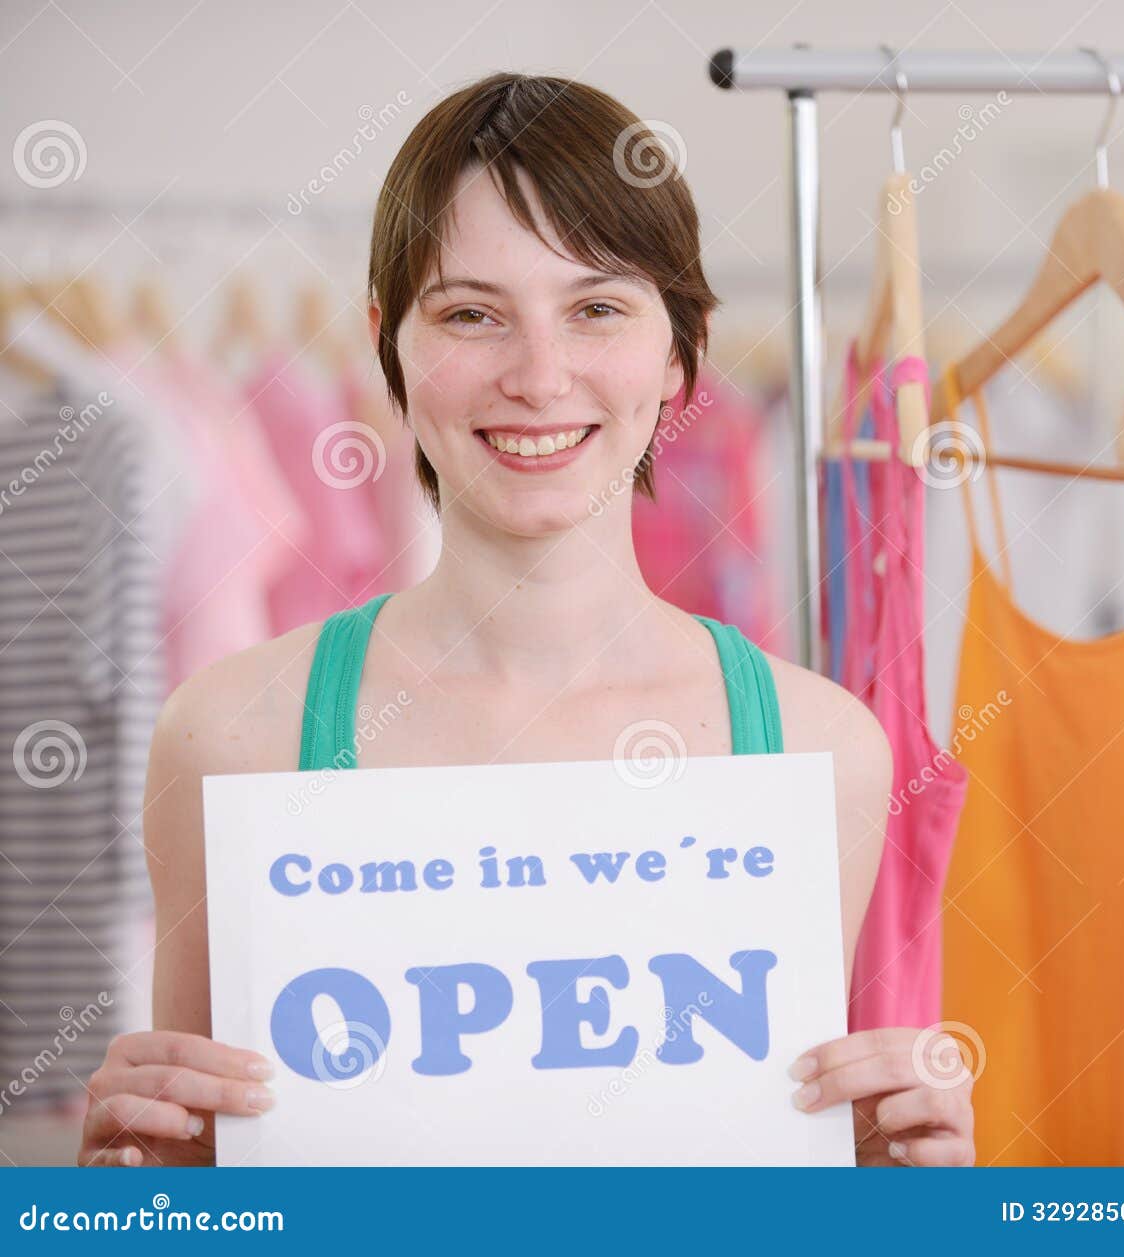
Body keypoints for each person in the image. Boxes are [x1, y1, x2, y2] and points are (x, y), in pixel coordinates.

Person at [77, 72, 975, 1169]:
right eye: (470, 315)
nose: (539, 377)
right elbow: (205, 1200)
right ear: (389, 346)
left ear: (680, 351)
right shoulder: (229, 736)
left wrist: (900, 1194)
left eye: (596, 308)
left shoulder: (817, 752)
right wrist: (130, 1199)